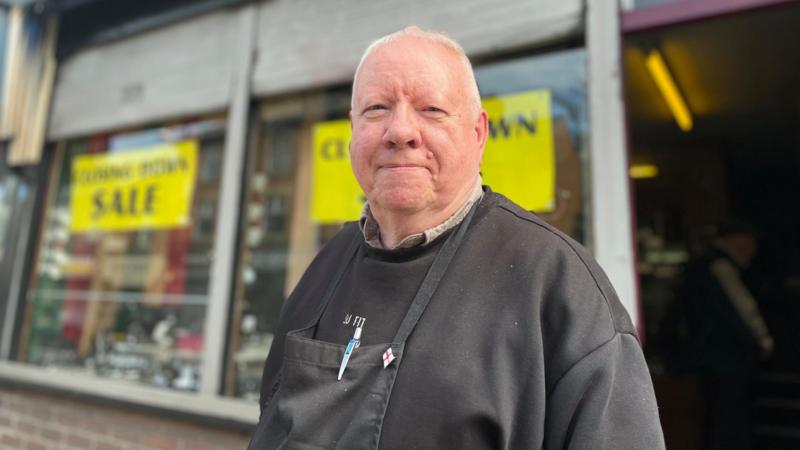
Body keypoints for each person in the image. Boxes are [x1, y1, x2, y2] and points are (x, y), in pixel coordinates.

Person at [248, 26, 665, 449]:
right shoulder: (326, 266)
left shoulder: (558, 285)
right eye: (376, 108)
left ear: (478, 133)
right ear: (353, 131)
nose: (401, 132)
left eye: (431, 109)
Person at [681, 220, 773, 450]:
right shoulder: (719, 266)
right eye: (749, 240)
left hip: (710, 358)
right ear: (736, 239)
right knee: (728, 422)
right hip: (725, 359)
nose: (753, 247)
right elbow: (743, 309)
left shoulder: (707, 264)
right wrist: (764, 342)